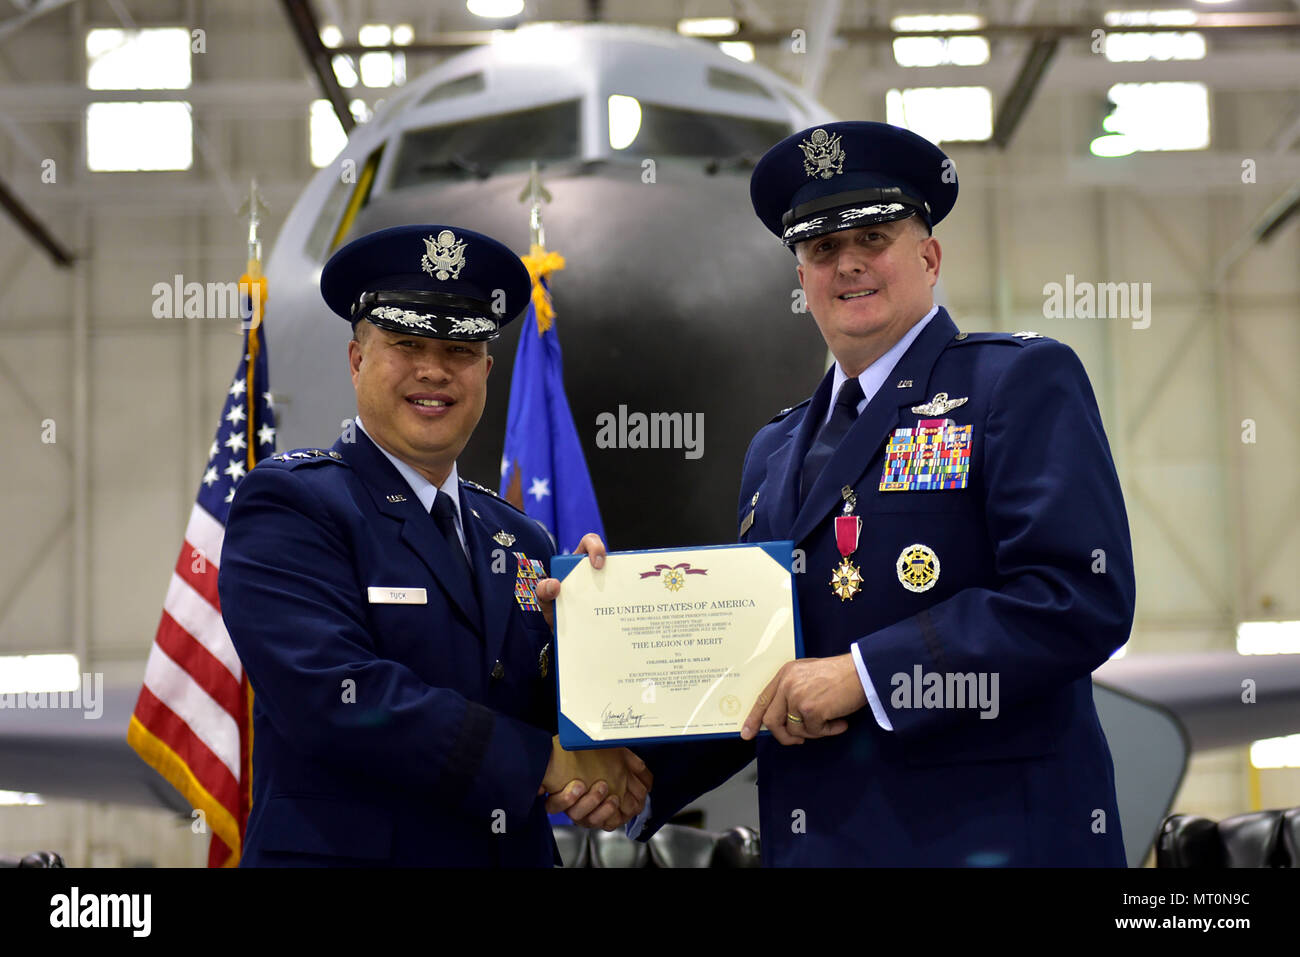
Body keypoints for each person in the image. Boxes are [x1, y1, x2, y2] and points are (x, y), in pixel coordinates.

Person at [561, 122, 1136, 865]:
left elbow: (1076, 598)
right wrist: (631, 765)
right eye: (822, 248)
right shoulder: (774, 449)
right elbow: (760, 666)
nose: (849, 263)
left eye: (873, 238)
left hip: (987, 842)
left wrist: (866, 673)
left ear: (929, 258)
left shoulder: (1015, 382)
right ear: (802, 280)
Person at [218, 224, 649, 867]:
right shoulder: (291, 506)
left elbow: (554, 718)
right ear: (356, 360)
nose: (434, 370)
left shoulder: (522, 539)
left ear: (486, 370)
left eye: (460, 349)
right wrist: (541, 762)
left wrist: (595, 641)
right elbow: (335, 696)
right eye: (407, 343)